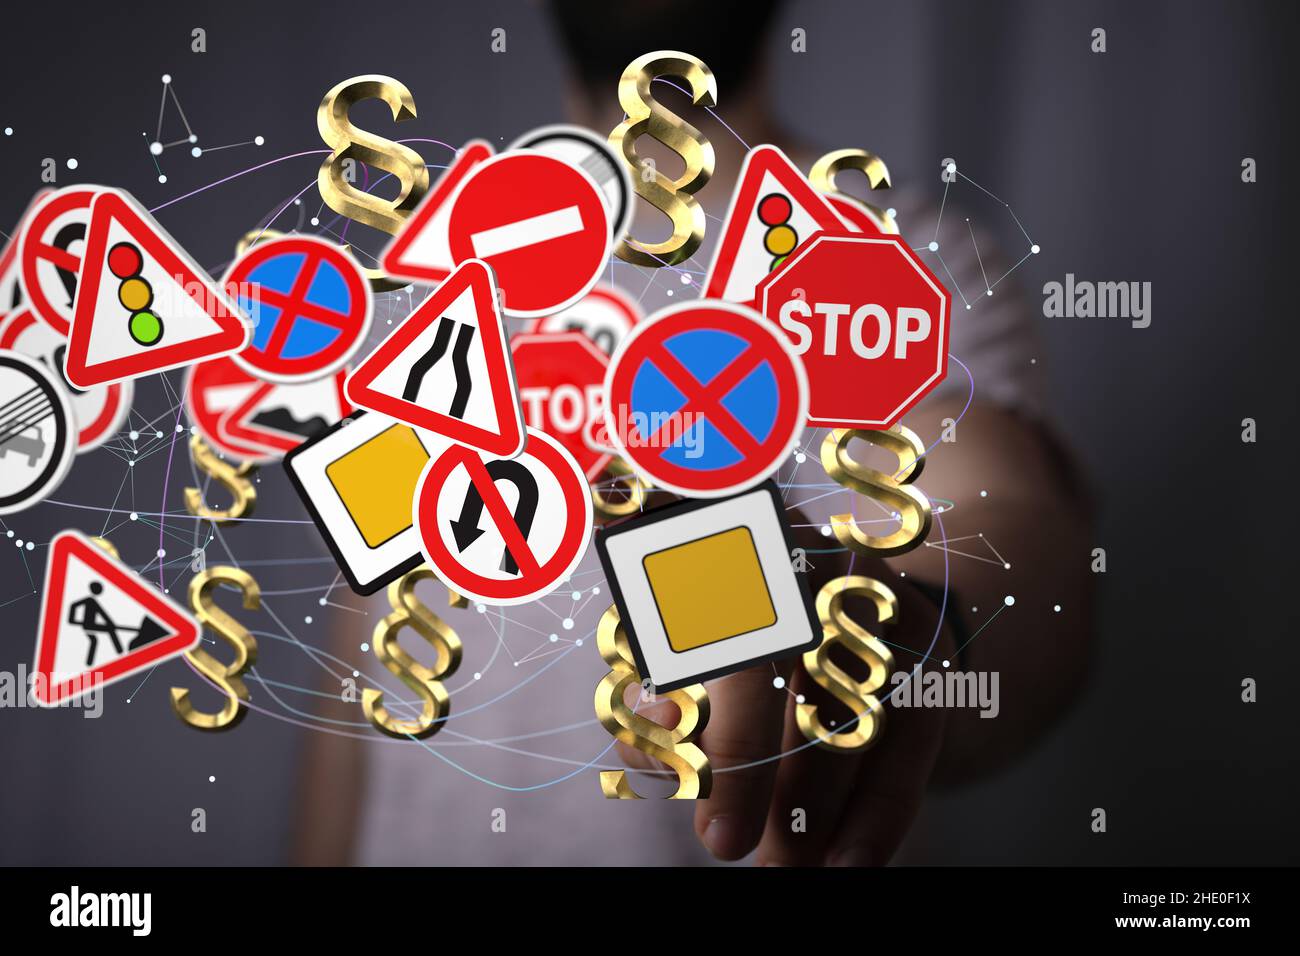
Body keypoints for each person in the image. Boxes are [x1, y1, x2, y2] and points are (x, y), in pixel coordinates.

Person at [292, 0, 1092, 866]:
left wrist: (902, 633)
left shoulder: (900, 260)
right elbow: (364, 654)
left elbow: (1010, 524)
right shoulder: (434, 269)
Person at [67, 582, 122, 667]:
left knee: (94, 640)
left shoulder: (92, 601)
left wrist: (110, 623)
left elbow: (103, 614)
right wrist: (73, 620)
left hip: (90, 625)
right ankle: (120, 651)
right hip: (88, 625)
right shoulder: (89, 600)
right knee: (106, 633)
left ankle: (89, 662)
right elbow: (73, 605)